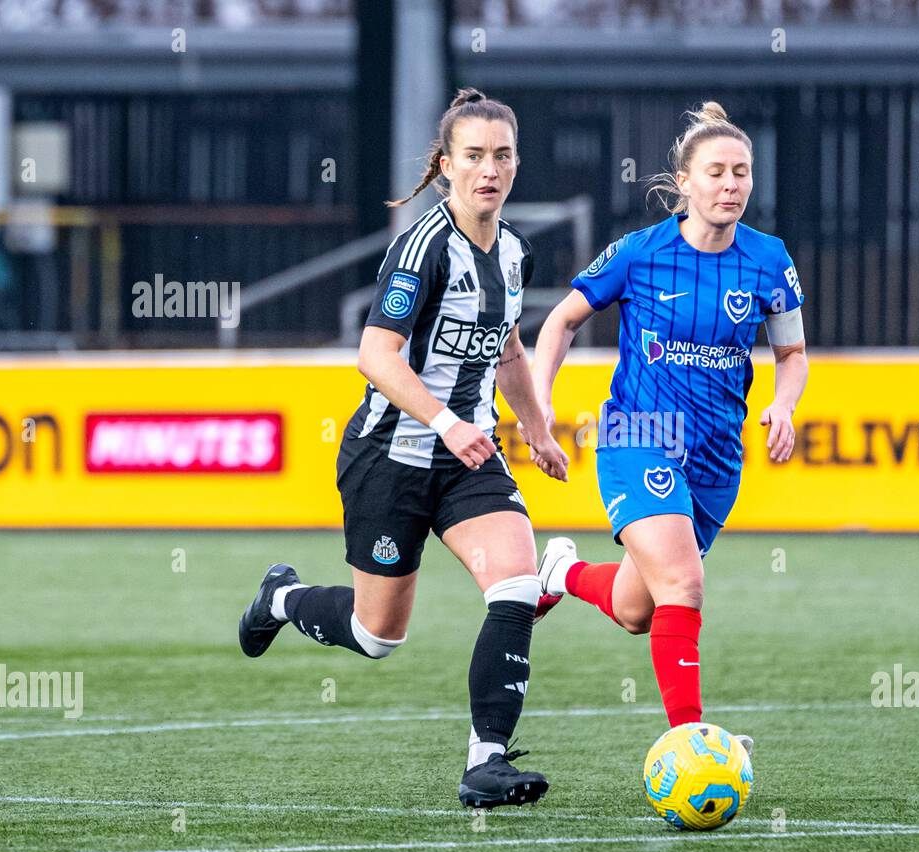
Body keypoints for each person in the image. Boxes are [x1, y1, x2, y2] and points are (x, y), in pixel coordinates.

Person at [237, 88, 569, 808]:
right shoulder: (423, 248)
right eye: (474, 156)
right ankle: (283, 598)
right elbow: (376, 356)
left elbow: (508, 350)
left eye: (503, 155)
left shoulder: (516, 252)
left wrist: (537, 429)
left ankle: (486, 763)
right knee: (377, 633)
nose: (490, 169)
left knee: (515, 586)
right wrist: (446, 420)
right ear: (446, 165)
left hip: (468, 462)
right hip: (389, 458)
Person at [527, 102, 809, 746]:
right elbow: (561, 321)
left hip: (716, 454)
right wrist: (540, 402)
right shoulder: (640, 252)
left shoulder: (768, 260)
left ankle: (560, 575)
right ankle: (691, 742)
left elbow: (791, 353)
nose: (731, 184)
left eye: (742, 172)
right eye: (716, 172)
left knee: (635, 609)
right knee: (684, 581)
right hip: (638, 435)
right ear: (684, 182)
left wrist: (783, 404)